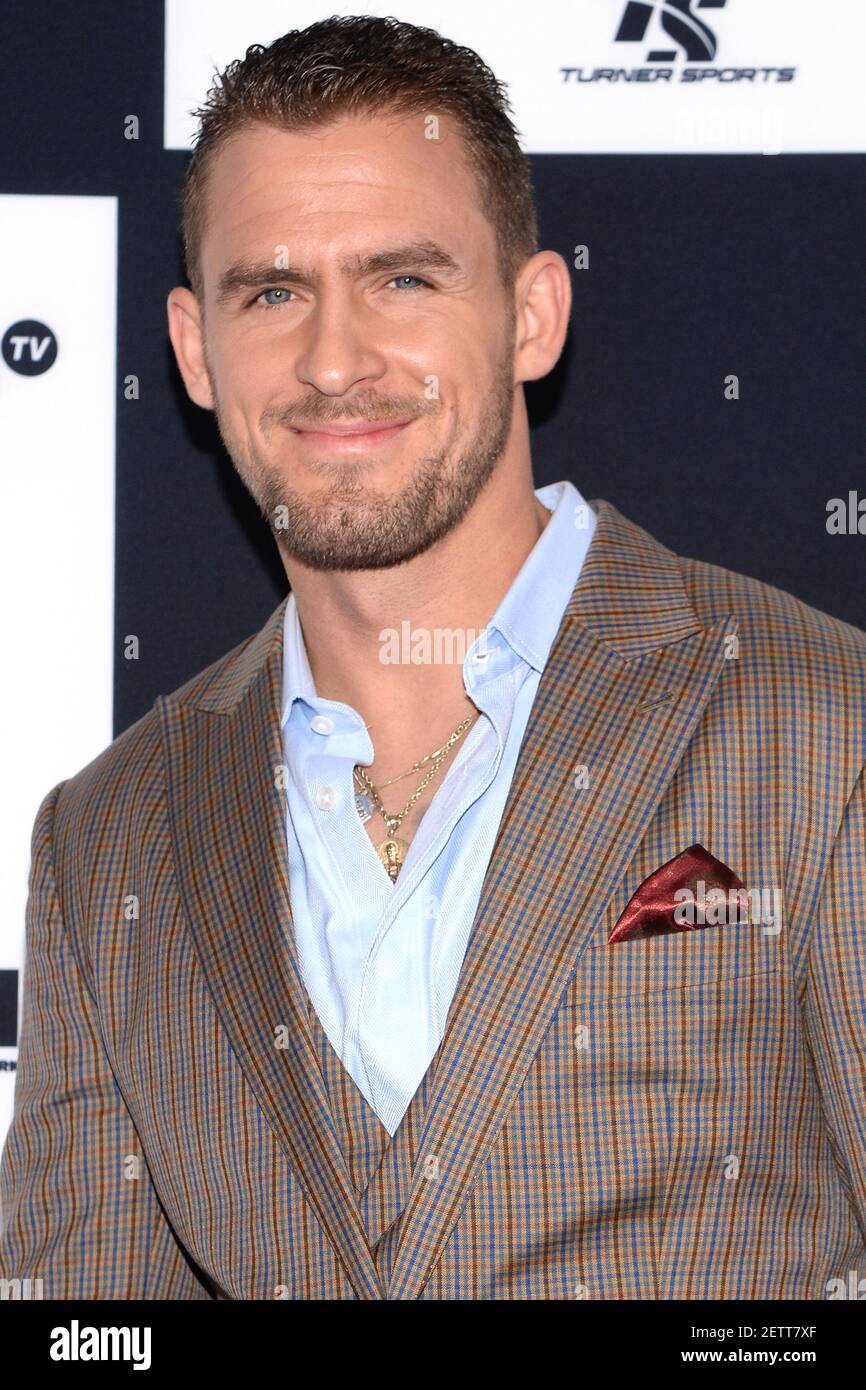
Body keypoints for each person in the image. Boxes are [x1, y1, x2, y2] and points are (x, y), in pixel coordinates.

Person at [1, 15, 864, 1301]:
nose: (335, 359)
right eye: (274, 291)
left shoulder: (822, 729)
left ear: (530, 315)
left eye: (403, 278)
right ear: (192, 350)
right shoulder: (106, 842)